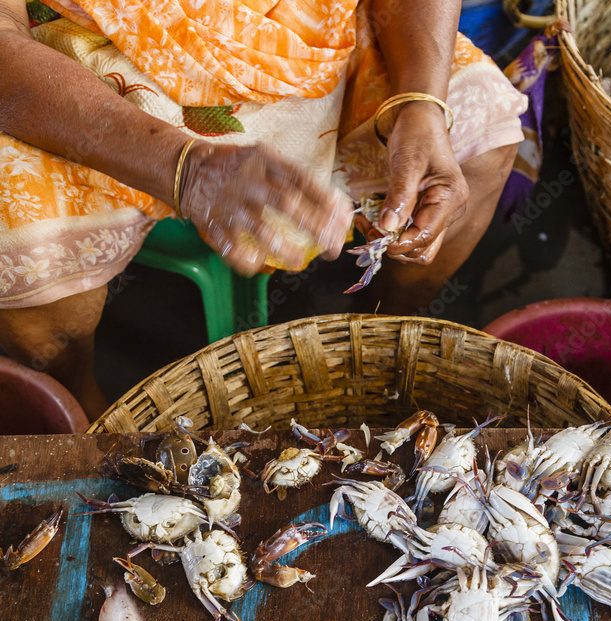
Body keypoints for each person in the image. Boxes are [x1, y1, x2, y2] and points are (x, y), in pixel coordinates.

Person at [0, 1, 527, 419]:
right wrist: (182, 166)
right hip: (77, 58)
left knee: (479, 124)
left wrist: (419, 104)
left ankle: (383, 344)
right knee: (22, 253)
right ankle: (78, 414)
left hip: (310, 30)